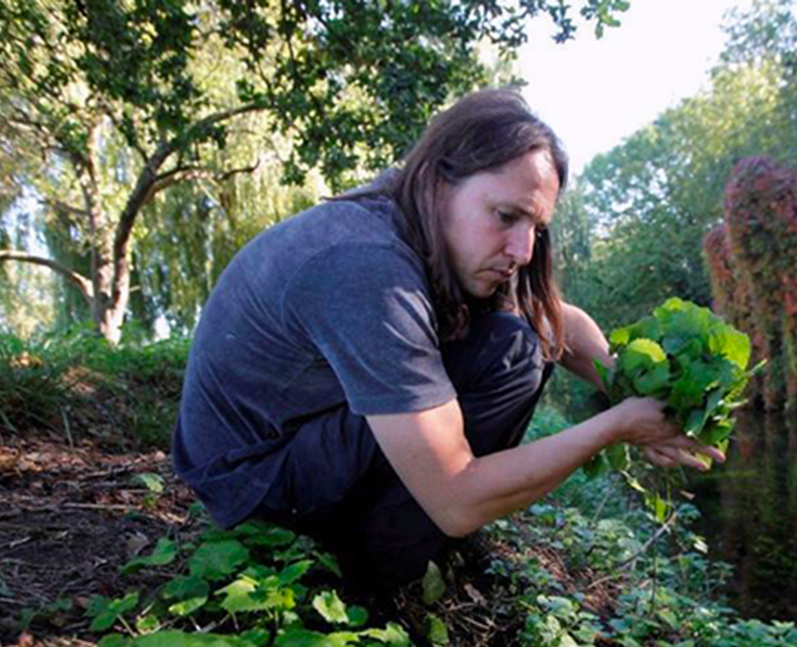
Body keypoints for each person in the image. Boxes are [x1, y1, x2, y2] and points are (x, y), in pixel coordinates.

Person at [172, 89, 721, 605]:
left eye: (536, 227)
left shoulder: (424, 219)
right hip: (251, 481)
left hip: (288, 440)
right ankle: (375, 582)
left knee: (513, 339)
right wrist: (614, 426)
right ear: (439, 182)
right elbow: (458, 500)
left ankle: (393, 537)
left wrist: (631, 388)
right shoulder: (369, 270)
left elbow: (559, 322)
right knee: (511, 355)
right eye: (507, 217)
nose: (524, 250)